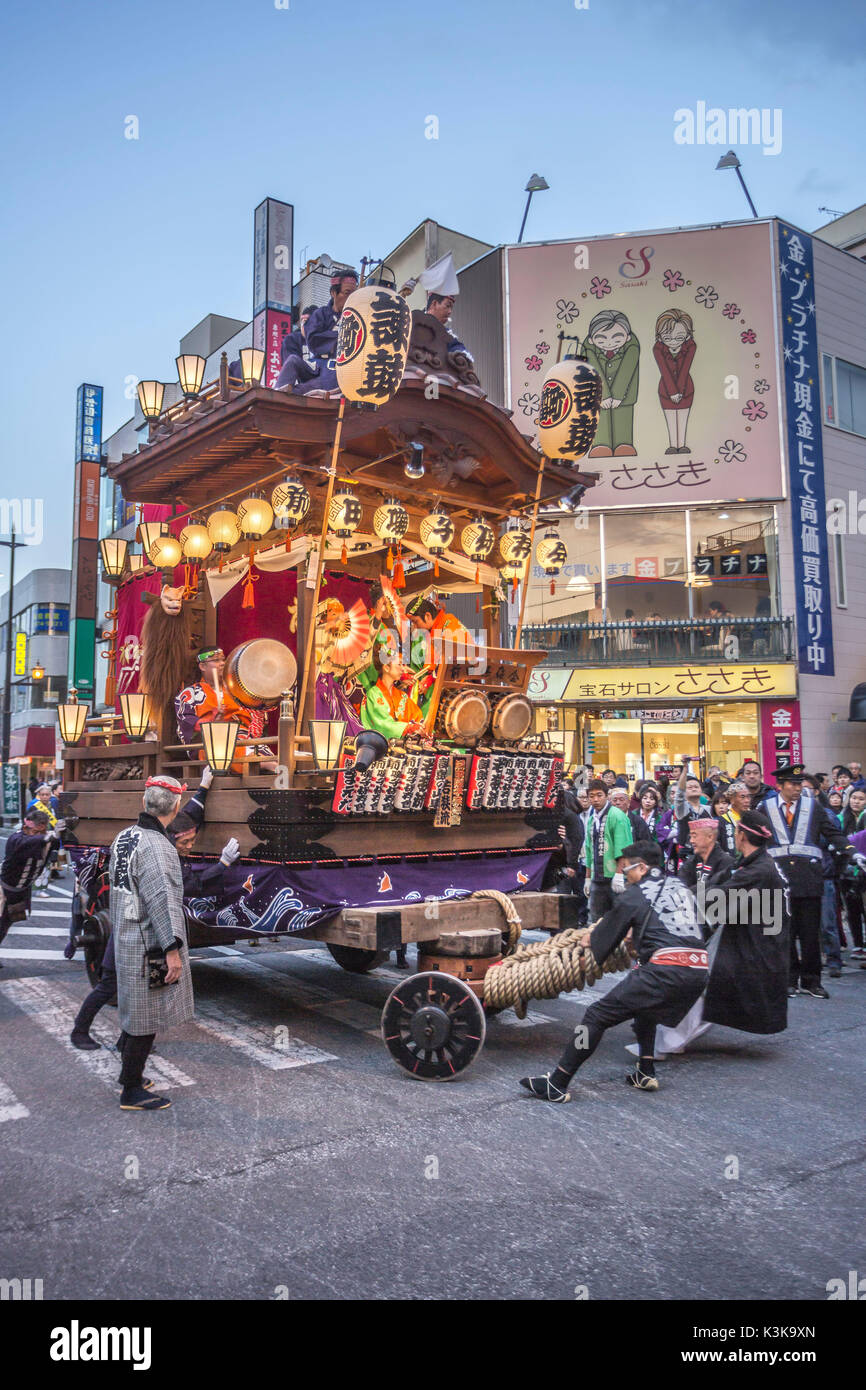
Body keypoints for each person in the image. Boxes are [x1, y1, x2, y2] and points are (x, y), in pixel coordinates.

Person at [519, 842, 708, 1101]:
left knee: (595, 1016)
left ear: (641, 867)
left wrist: (589, 940)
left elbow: (601, 942)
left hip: (666, 970)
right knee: (645, 1009)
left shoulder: (636, 893)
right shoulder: (681, 888)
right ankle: (646, 1070)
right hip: (698, 972)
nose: (623, 875)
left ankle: (558, 1081)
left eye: (625, 869)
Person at [110, 775, 194, 1111]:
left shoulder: (125, 836)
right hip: (149, 942)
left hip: (127, 932)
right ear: (175, 808)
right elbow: (163, 901)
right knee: (145, 1017)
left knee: (136, 1011)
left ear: (144, 804)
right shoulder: (159, 847)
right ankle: (131, 1088)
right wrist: (172, 950)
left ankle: (130, 1075)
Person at [758, 763, 853, 999]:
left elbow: (833, 833)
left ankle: (812, 981)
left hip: (809, 880)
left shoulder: (814, 807)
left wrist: (852, 851)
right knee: (785, 935)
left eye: (800, 784)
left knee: (811, 934)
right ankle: (789, 979)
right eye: (792, 784)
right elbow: (756, 839)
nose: (798, 788)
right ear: (779, 786)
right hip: (778, 880)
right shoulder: (765, 807)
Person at [176, 647, 276, 773]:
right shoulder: (190, 694)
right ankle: (264, 764)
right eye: (216, 660)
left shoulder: (235, 689)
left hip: (244, 737)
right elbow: (187, 724)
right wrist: (213, 721)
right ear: (202, 666)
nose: (222, 663)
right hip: (210, 743)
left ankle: (267, 763)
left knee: (261, 750)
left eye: (223, 659)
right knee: (228, 746)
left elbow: (253, 716)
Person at [275, 270, 358, 393]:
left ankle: (283, 398)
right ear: (334, 293)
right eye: (347, 293)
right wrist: (340, 337)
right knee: (292, 360)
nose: (351, 298)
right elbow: (314, 340)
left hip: (336, 371)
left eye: (354, 294)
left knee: (298, 392)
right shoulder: (321, 314)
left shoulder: (357, 317)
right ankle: (275, 394)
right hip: (316, 366)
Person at [582, 309, 640, 459]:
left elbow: (627, 372)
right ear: (591, 339)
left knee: (623, 416)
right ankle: (600, 444)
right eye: (601, 339)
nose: (609, 343)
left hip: (625, 394)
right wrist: (604, 395)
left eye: (616, 338)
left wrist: (619, 394)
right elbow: (593, 371)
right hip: (597, 395)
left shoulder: (632, 348)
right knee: (599, 417)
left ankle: (624, 443)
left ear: (627, 337)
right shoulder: (588, 350)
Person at [0, 810, 51, 961]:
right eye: (35, 831)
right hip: (4, 890)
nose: (39, 835)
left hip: (22, 891)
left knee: (7, 924)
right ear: (26, 826)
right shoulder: (16, 839)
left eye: (42, 831)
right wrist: (48, 836)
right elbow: (26, 843)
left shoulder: (44, 839)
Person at [582, 778, 633, 919]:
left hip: (615, 876)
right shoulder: (592, 819)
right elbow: (589, 850)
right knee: (597, 919)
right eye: (591, 796)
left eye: (599, 795)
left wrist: (619, 874)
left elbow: (623, 847)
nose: (595, 799)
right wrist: (587, 877)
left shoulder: (617, 816)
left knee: (619, 919)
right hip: (597, 877)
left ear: (606, 796)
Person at [360, 642, 426, 742]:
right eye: (399, 664)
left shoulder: (402, 696)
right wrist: (407, 728)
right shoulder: (373, 695)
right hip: (379, 745)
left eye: (403, 665)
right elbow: (382, 724)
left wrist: (420, 726)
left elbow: (417, 716)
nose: (403, 669)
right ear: (386, 667)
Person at [653, 308, 696, 454]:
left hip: (686, 388)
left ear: (687, 335)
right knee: (671, 418)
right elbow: (664, 370)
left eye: (679, 337)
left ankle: (682, 445)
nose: (673, 341)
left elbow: (685, 369)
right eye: (667, 337)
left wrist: (680, 391)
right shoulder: (658, 349)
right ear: (660, 337)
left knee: (683, 417)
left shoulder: (690, 347)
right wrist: (672, 392)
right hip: (666, 388)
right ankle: (673, 445)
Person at [425, 293, 474, 362]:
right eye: (447, 306)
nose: (450, 311)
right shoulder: (413, 322)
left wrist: (461, 356)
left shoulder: (445, 334)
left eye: (451, 308)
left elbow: (456, 347)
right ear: (434, 303)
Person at [717, 779, 751, 857]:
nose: (747, 800)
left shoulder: (754, 818)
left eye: (748, 797)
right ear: (732, 799)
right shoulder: (721, 821)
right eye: (742, 797)